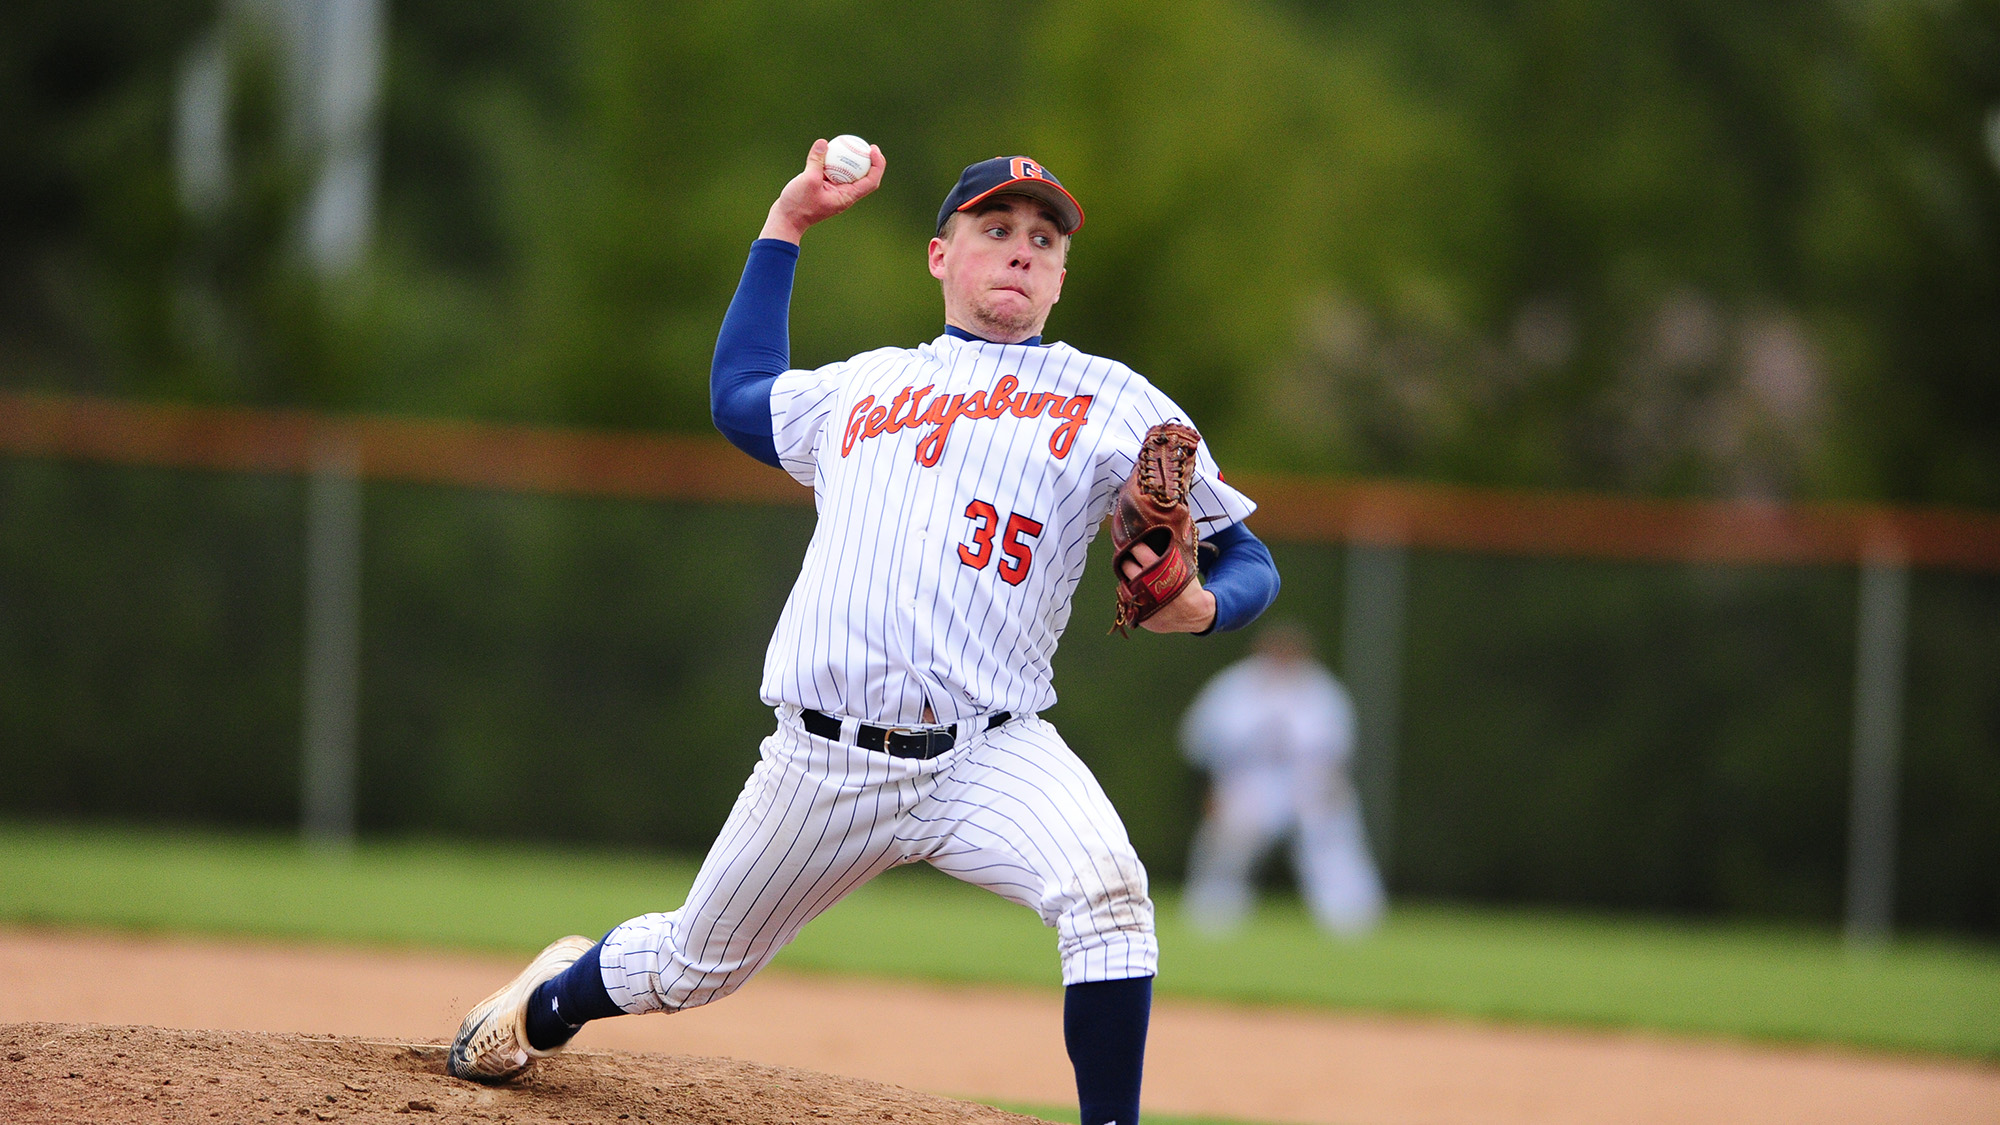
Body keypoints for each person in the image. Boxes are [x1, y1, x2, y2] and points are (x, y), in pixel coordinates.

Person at [445, 139, 1282, 1125]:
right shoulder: (864, 386)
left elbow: (1249, 562)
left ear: (1059, 275)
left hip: (989, 750)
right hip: (824, 759)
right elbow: (737, 396)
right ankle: (544, 1006)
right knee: (688, 966)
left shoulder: (1115, 401)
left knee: (1105, 895)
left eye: (1043, 239)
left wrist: (1199, 605)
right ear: (940, 256)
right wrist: (785, 226)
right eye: (995, 228)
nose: (1020, 250)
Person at [1179, 620, 1385, 937]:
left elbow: (1339, 752)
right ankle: (1211, 919)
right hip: (1249, 782)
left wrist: (1333, 791)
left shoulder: (1323, 691)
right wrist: (1213, 789)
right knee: (1228, 845)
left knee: (1331, 843)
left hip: (1308, 782)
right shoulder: (1234, 686)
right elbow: (1201, 742)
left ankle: (1351, 921)